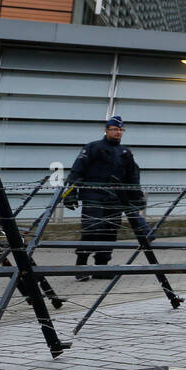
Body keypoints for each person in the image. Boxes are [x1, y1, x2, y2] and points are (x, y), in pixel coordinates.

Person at [65, 116, 144, 280]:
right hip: (93, 196)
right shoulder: (92, 148)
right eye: (115, 129)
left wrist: (137, 197)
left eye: (121, 130)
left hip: (115, 199)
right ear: (107, 130)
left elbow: (132, 176)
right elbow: (77, 171)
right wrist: (70, 194)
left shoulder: (125, 152)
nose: (118, 133)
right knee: (92, 229)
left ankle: (102, 267)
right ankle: (81, 265)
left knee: (110, 231)